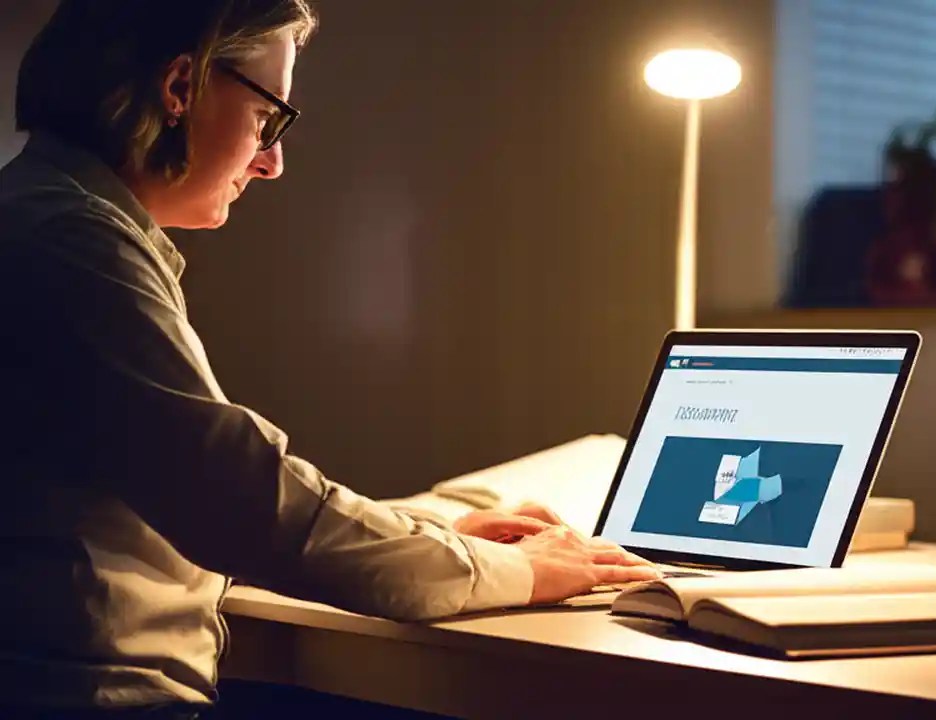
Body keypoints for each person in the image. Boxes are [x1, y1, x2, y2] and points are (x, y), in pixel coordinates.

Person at [0, 1, 659, 717]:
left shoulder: (46, 218)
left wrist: (426, 536)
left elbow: (200, 490)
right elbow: (241, 504)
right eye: (268, 118)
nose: (272, 161)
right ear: (180, 88)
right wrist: (515, 571)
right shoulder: (70, 244)